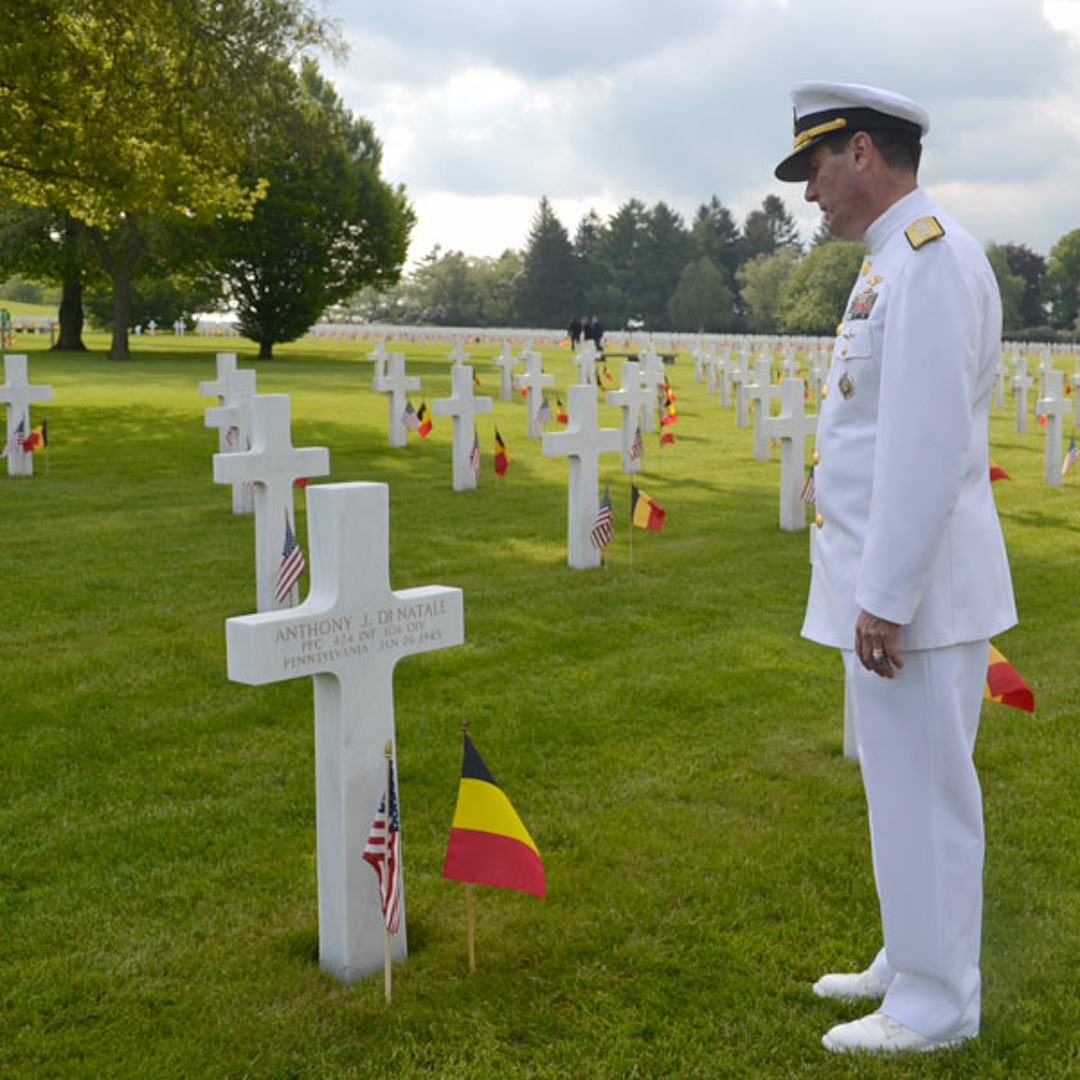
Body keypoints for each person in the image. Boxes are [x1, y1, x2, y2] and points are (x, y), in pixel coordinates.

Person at [774, 82, 1016, 1053]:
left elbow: (922, 445)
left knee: (926, 794)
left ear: (863, 151)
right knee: (900, 790)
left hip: (916, 597)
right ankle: (908, 955)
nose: (809, 194)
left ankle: (935, 1004)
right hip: (898, 591)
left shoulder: (932, 262)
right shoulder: (893, 263)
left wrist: (884, 600)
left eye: (815, 169)